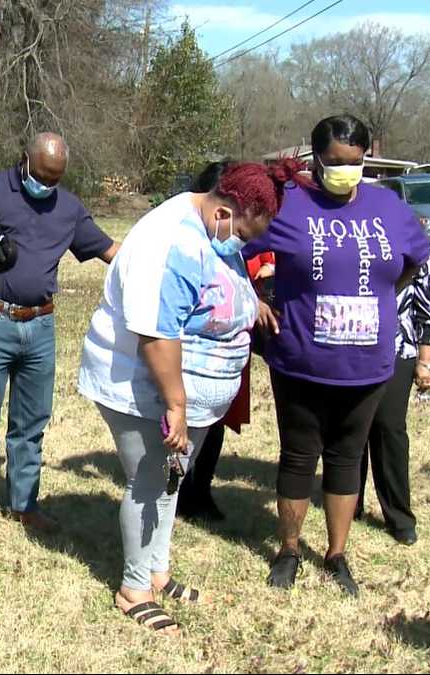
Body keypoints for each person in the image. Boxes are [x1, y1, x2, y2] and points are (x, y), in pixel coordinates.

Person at [78, 160, 301, 633]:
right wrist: (176, 406)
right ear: (226, 210)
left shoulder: (210, 225)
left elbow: (217, 285)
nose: (245, 243)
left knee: (169, 482)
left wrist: (251, 302)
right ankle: (134, 587)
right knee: (149, 480)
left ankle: (158, 572)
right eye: (245, 231)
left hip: (185, 389)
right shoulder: (169, 240)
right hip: (139, 383)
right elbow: (157, 335)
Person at [244, 114, 430, 596]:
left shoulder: (389, 207)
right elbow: (234, 246)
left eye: (355, 163)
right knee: (299, 455)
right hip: (301, 359)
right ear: (316, 158)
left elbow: (412, 261)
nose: (345, 171)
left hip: (367, 365)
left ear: (367, 158)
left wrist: (380, 298)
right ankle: (288, 550)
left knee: (346, 459)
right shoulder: (289, 205)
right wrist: (255, 300)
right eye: (334, 163)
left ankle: (336, 554)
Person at [0, 133, 119, 535]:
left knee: (31, 424)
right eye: (41, 175)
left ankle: (24, 504)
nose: (46, 185)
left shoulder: (68, 207)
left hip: (41, 326)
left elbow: (111, 251)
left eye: (55, 179)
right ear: (24, 160)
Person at [176, 162, 278, 522]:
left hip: (228, 355)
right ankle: (173, 490)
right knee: (180, 426)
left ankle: (199, 489)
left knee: (215, 422)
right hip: (190, 359)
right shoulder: (189, 239)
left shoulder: (244, 237)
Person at [356, 257, 430, 545]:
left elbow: (426, 305)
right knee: (349, 427)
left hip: (397, 346)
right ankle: (348, 502)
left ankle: (399, 516)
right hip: (349, 343)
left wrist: (426, 359)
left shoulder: (411, 242)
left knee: (389, 429)